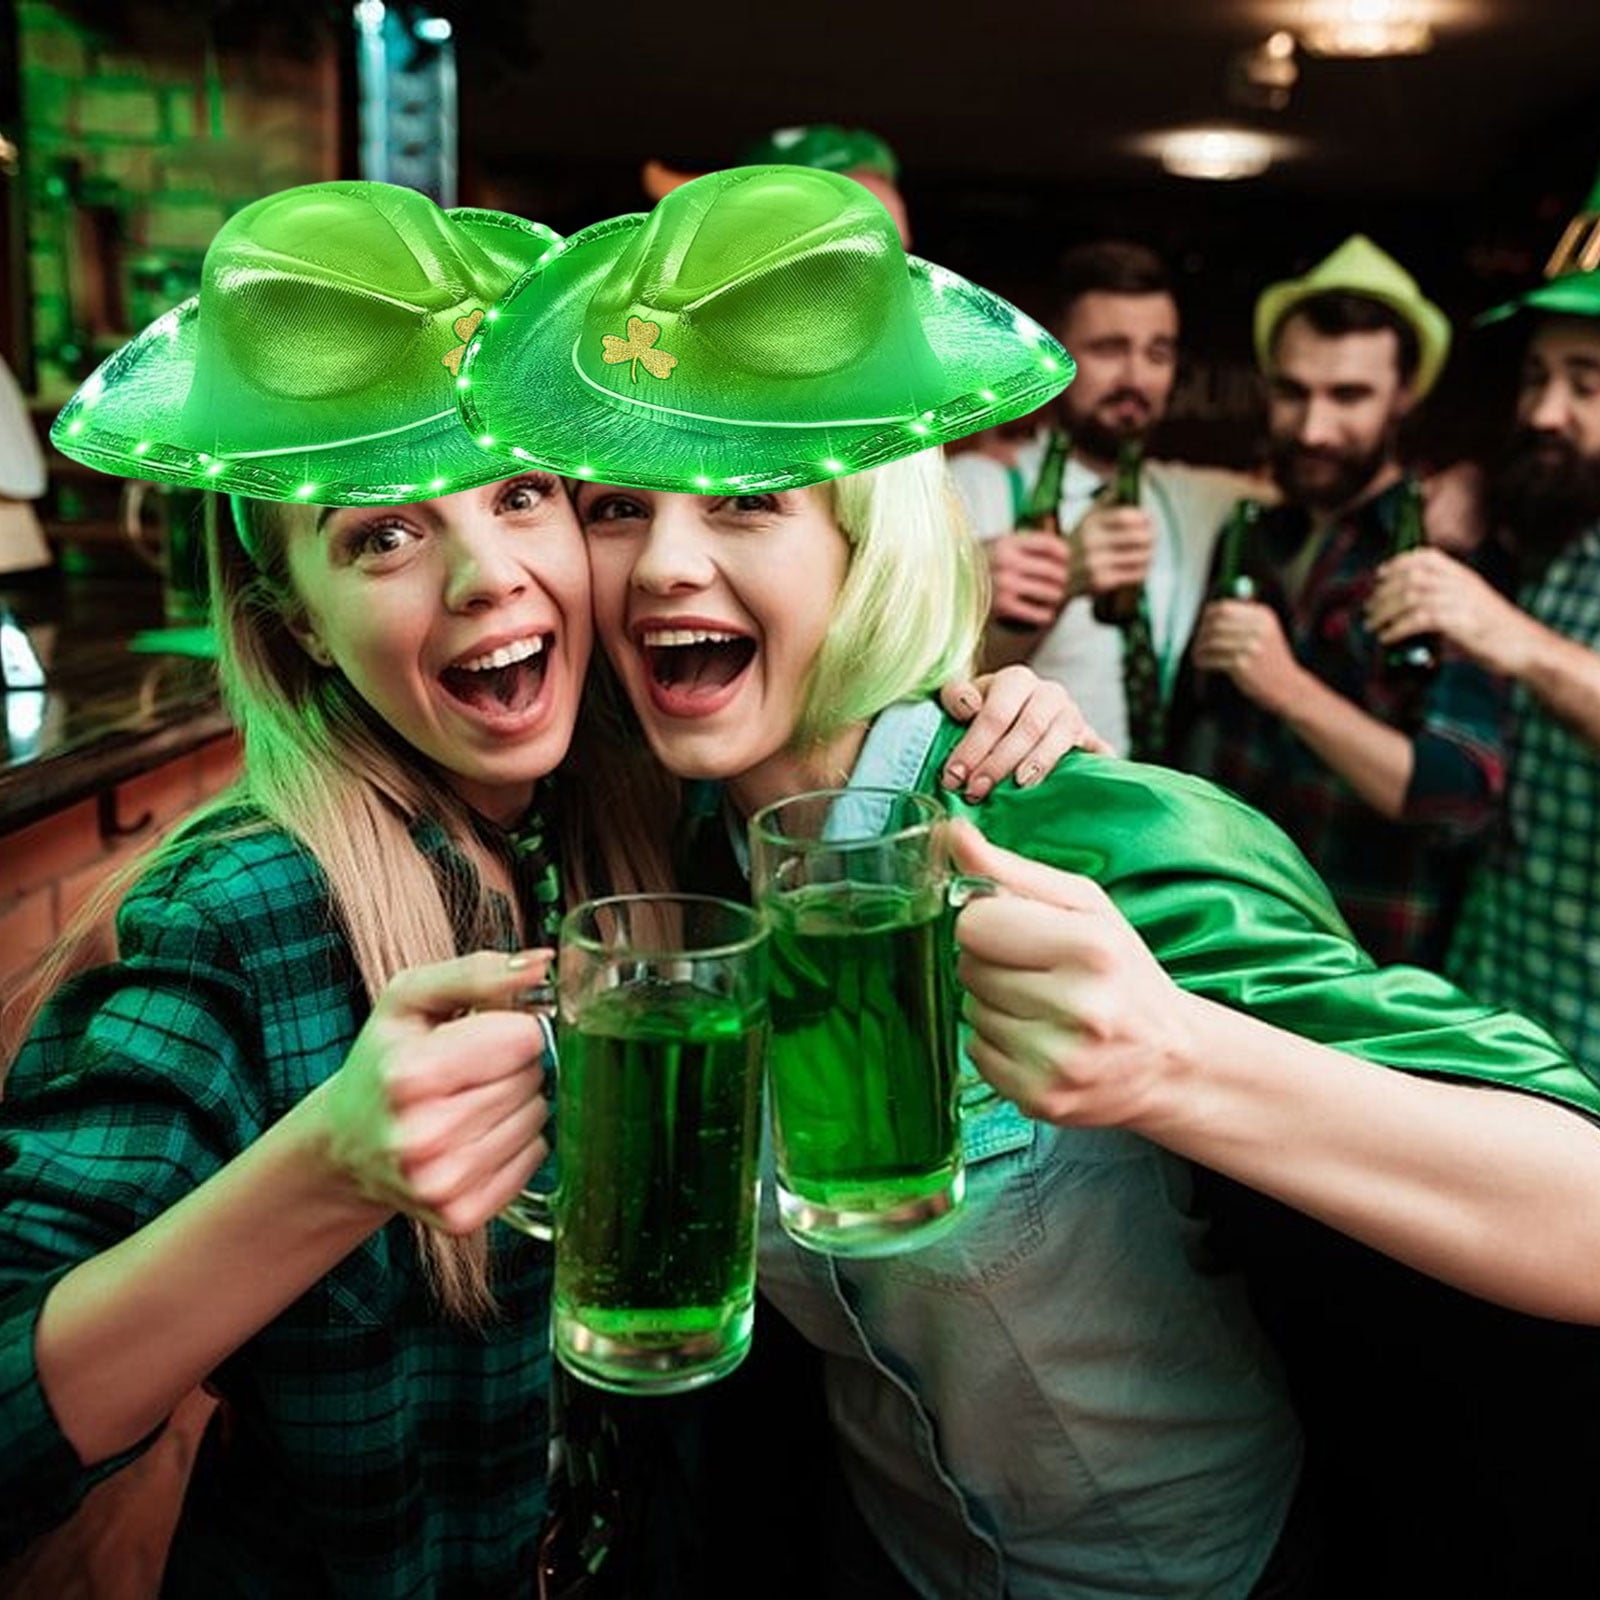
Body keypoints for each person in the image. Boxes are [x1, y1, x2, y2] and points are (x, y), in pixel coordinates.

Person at [464, 163, 1600, 1600]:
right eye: (620, 507)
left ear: (862, 544)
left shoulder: (1066, 830)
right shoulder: (668, 887)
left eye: (751, 503)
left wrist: (1176, 1060)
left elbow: (1584, 1213)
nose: (662, 564)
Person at [7, 179, 1084, 1596]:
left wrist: (988, 713)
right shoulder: (240, 907)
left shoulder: (647, 821)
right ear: (301, 630)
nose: (486, 575)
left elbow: (825, 719)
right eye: (382, 536)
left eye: (524, 495)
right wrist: (325, 1170)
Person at [1171, 235, 1504, 968]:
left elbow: (1458, 798)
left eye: (1348, 396)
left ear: (1404, 395)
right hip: (1231, 950)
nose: (1314, 429)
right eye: (1293, 393)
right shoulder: (1257, 530)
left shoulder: (1444, 552)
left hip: (1364, 976)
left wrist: (1288, 688)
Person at [950, 239, 1265, 758]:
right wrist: (1061, 575)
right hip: (1022, 803)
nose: (1135, 378)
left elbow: (1305, 488)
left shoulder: (1185, 495)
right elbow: (916, 684)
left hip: (1149, 803)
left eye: (1157, 353)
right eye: (1109, 349)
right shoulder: (976, 488)